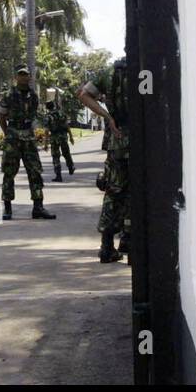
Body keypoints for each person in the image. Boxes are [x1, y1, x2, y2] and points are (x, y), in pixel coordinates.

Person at [78, 60, 129, 264]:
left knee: (114, 191)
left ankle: (107, 246)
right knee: (139, 190)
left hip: (117, 140)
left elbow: (83, 94)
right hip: (143, 142)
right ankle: (129, 239)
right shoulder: (146, 69)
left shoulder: (109, 73)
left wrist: (108, 117)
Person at [0, 66, 56, 221]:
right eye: (20, 75)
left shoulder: (34, 96)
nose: (23, 77)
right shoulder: (8, 95)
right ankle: (7, 209)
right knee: (9, 172)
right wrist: (8, 133)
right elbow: (1, 117)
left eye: (26, 75)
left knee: (35, 171)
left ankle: (38, 207)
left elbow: (34, 116)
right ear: (16, 77)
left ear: (30, 77)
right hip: (13, 137)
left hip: (29, 137)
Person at [44, 90, 75, 181]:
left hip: (54, 138)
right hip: (63, 136)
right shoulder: (61, 113)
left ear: (47, 108)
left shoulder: (48, 116)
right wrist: (71, 136)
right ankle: (71, 167)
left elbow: (46, 131)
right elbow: (67, 125)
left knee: (55, 156)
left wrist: (46, 143)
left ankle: (58, 175)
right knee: (66, 153)